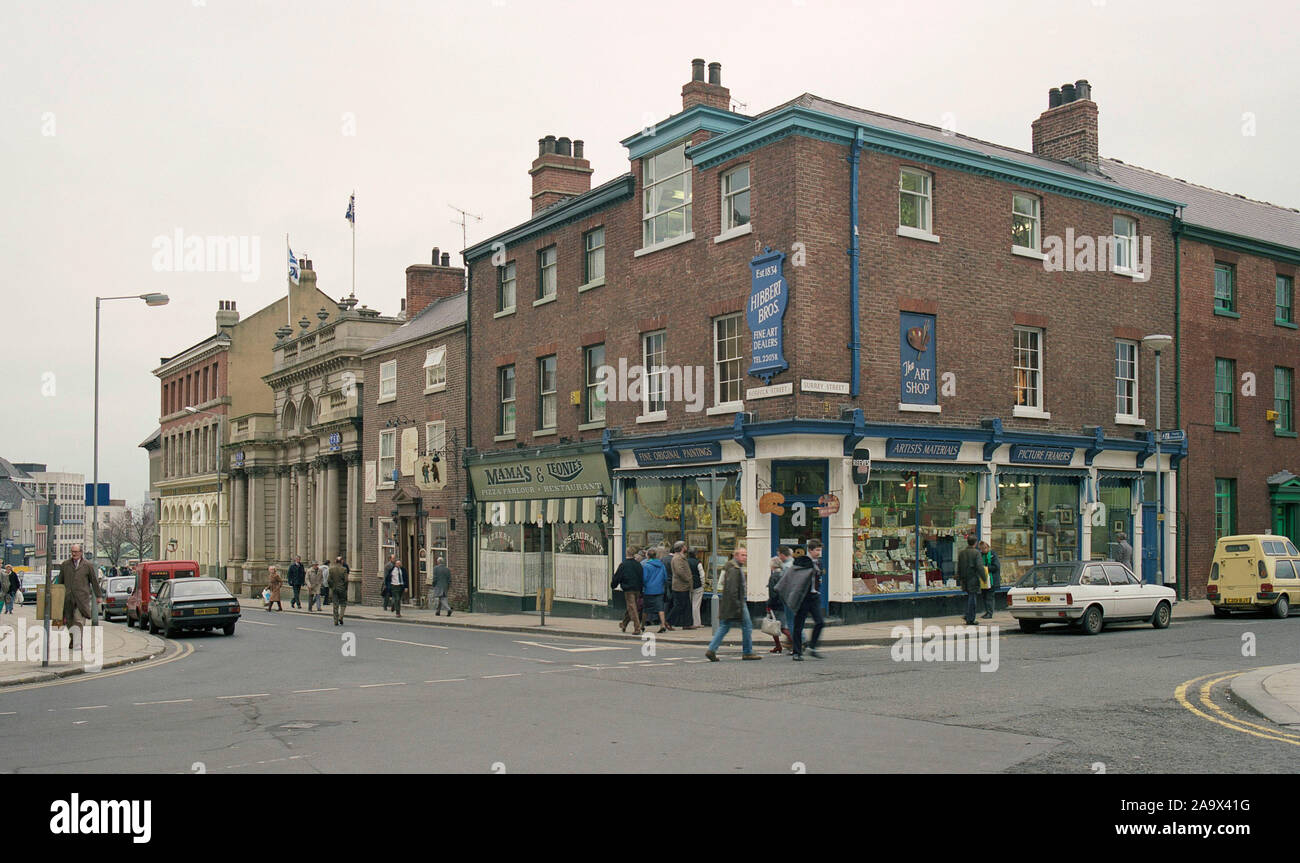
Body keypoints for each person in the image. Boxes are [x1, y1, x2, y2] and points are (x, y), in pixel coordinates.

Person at [705, 547, 760, 661]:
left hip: (728, 604)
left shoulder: (731, 567)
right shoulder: (734, 569)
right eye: (742, 555)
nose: (745, 557)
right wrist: (738, 606)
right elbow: (732, 589)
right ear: (736, 556)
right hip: (737, 603)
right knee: (747, 626)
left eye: (746, 555)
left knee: (724, 627)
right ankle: (747, 652)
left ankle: (711, 650)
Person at [778, 550, 824, 661]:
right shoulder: (801, 562)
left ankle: (812, 647)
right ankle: (797, 652)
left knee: (820, 622)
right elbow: (789, 580)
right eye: (817, 550)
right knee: (798, 626)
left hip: (814, 597)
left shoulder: (818, 563)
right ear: (811, 550)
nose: (819, 552)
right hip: (802, 598)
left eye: (820, 550)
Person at [59, 544, 101, 649]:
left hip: (81, 599)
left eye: (76, 552)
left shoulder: (87, 565)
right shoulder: (65, 565)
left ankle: (77, 644)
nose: (74, 554)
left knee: (78, 621)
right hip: (68, 599)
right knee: (69, 622)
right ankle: (73, 639)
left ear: (81, 553)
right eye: (72, 551)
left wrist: (98, 596)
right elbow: (59, 583)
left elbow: (94, 581)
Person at [611, 545, 644, 635]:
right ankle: (624, 624)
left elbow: (617, 577)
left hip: (628, 589)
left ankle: (637, 628)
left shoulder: (624, 565)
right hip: (637, 589)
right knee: (632, 607)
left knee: (632, 608)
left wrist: (613, 585)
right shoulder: (638, 565)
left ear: (627, 553)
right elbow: (641, 577)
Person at [765, 556, 792, 653]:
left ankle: (794, 643)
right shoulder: (783, 574)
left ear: (772, 566)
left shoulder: (773, 577)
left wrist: (769, 605)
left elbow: (773, 594)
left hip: (775, 605)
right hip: (784, 603)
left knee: (781, 627)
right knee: (775, 627)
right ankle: (778, 646)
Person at [641, 547, 671, 632]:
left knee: (646, 609)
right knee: (660, 609)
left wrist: (644, 586)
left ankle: (642, 625)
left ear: (648, 556)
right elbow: (665, 577)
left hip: (648, 590)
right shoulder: (661, 565)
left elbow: (644, 578)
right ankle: (662, 625)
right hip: (659, 590)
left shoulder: (646, 566)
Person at [668, 541, 696, 629]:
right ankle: (668, 621)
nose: (686, 547)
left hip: (684, 586)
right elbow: (679, 571)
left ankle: (687, 624)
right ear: (681, 547)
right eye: (684, 545)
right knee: (679, 605)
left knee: (686, 605)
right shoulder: (677, 558)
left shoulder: (681, 557)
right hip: (680, 586)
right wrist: (688, 579)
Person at [957, 534, 983, 625]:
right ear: (975, 543)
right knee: (973, 599)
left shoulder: (962, 553)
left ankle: (967, 615)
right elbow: (980, 567)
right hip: (973, 579)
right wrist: (984, 577)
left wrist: (959, 578)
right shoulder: (976, 553)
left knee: (969, 597)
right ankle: (970, 619)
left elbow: (959, 566)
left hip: (964, 579)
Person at [979, 540, 1001, 619]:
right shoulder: (981, 555)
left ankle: (990, 613)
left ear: (988, 547)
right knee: (984, 596)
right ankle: (987, 611)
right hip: (984, 580)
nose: (983, 550)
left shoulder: (993, 555)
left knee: (989, 597)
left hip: (992, 580)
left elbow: (996, 567)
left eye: (985, 548)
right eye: (981, 548)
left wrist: (986, 568)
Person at [686, 547, 705, 628]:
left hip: (688, 585)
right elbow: (702, 575)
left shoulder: (685, 562)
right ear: (696, 554)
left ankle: (690, 621)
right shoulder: (698, 563)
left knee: (690, 604)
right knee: (696, 605)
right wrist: (703, 584)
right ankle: (697, 623)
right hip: (698, 585)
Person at [328, 557, 348, 625]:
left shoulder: (331, 569)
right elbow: (346, 580)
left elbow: (329, 580)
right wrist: (345, 587)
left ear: (335, 561)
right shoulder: (344, 569)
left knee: (335, 605)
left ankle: (335, 620)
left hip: (334, 589)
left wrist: (332, 586)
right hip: (342, 589)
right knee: (343, 603)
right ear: (342, 561)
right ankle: (341, 617)